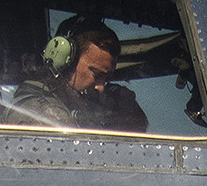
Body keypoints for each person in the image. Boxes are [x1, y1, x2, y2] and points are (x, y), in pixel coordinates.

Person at [12, 16, 149, 132]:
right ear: (66, 62)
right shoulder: (49, 116)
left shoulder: (39, 102)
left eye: (105, 78)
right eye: (96, 74)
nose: (100, 87)